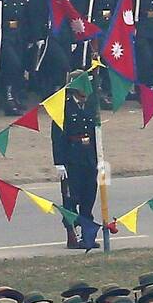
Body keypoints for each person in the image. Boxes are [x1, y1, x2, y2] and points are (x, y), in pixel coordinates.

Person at [52, 74, 101, 249]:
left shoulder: (90, 105)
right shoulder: (63, 107)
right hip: (71, 158)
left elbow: (96, 134)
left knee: (89, 196)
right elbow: (57, 136)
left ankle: (87, 234)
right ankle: (73, 234)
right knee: (72, 198)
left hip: (88, 157)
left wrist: (99, 158)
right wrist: (59, 162)